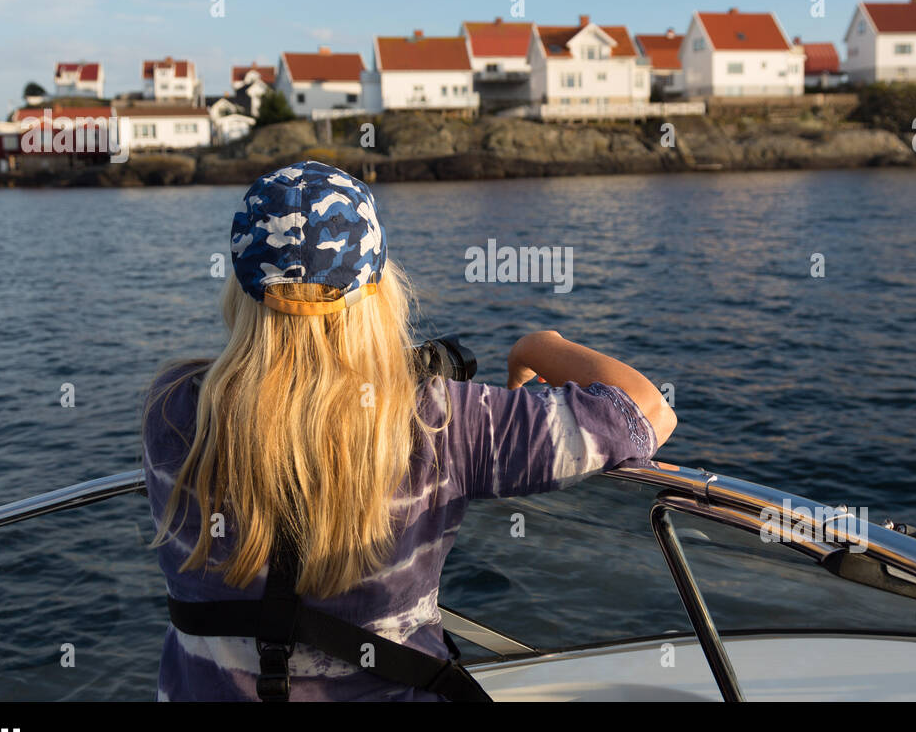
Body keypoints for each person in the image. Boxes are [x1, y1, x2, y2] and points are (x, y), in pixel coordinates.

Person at [142, 161, 676, 701]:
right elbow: (647, 412)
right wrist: (539, 348)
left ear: (241, 286)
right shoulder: (439, 420)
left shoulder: (171, 406)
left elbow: (281, 413)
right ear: (377, 288)